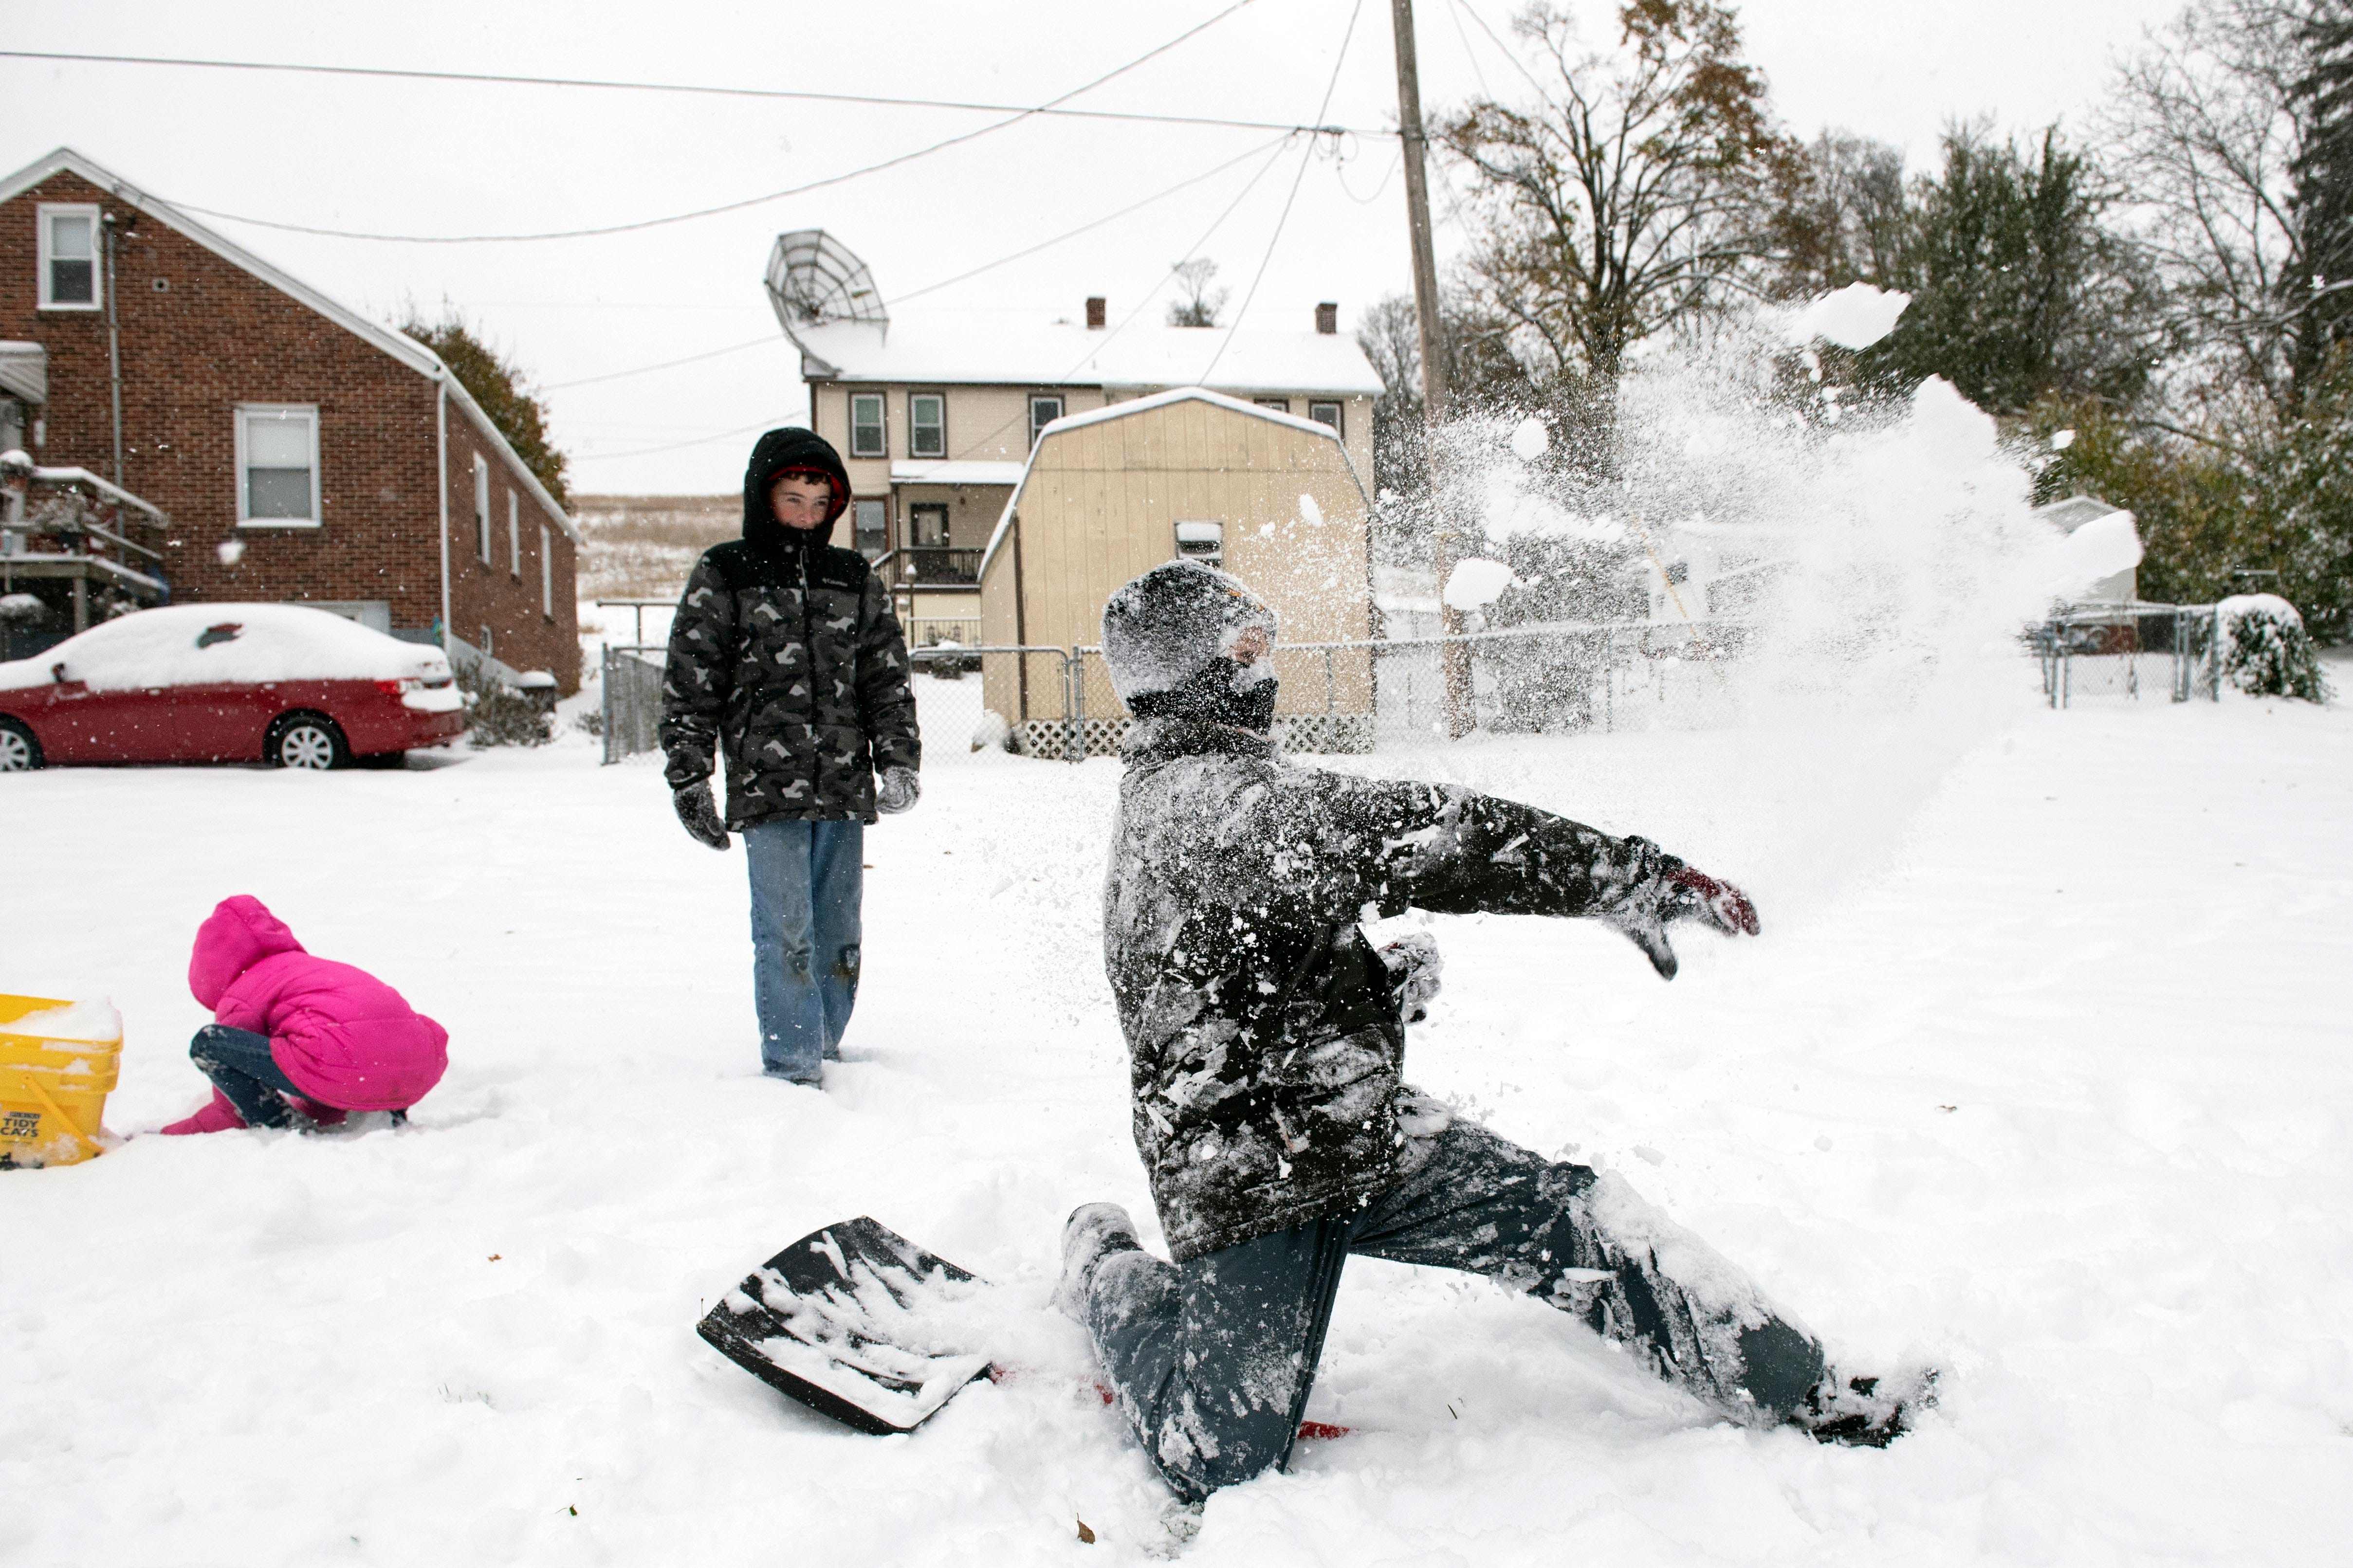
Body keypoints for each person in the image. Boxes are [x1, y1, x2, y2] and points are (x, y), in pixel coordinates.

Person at [1054, 561, 1926, 1504]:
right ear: (1189, 671)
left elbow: (1250, 986)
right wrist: (1613, 876)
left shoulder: (1241, 786)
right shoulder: (1198, 809)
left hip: (1353, 1127)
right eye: (1246, 650)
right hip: (1248, 1179)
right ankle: (1101, 1259)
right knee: (1215, 1454)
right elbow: (1428, 833)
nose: (1267, 669)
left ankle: (1797, 1385)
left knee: (1567, 1215)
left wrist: (1381, 984)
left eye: (1267, 643)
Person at [659, 428, 921, 1084]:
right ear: (763, 497)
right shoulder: (725, 572)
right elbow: (692, 679)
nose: (806, 514)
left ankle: (827, 1045)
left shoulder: (853, 578)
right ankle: (793, 1065)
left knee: (838, 935)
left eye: (818, 501)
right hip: (766, 787)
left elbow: (883, 677)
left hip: (841, 786)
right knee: (786, 935)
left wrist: (898, 758)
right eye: (791, 498)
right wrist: (690, 776)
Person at [162, 894, 448, 1133]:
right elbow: (337, 1040)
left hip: (352, 1068)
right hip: (419, 1065)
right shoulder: (312, 969)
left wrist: (172, 1135)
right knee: (353, 1041)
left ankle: (276, 1124)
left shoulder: (244, 990)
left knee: (210, 1044)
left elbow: (231, 1103)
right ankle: (388, 1110)